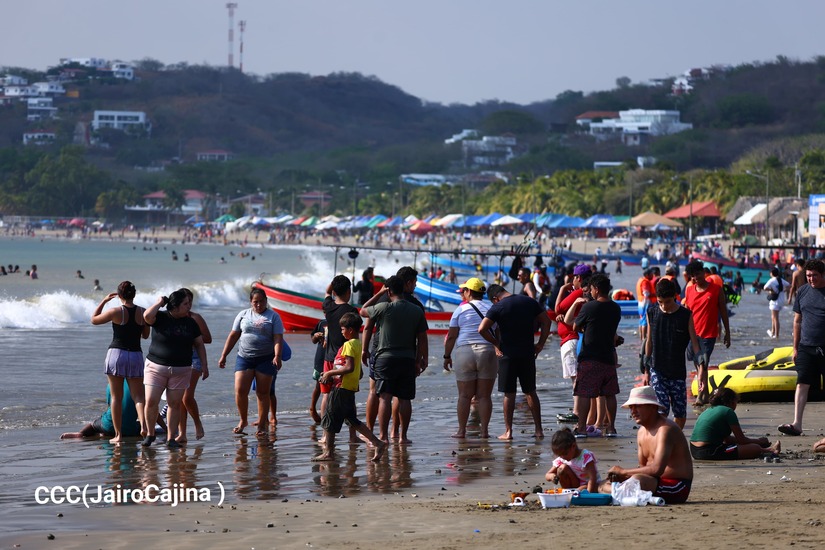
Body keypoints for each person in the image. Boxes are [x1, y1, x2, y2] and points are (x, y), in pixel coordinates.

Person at [360, 275, 428, 444]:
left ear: (388, 290)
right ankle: (402, 436)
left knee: (385, 397)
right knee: (405, 398)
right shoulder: (416, 310)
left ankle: (382, 436)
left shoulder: (383, 307)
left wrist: (378, 294)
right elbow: (422, 338)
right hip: (407, 358)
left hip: (385, 358)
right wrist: (420, 359)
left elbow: (362, 310)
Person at [478, 283, 550, 440]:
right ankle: (539, 430)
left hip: (507, 354)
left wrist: (496, 344)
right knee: (530, 391)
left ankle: (508, 431)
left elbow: (482, 329)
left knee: (509, 393)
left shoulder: (498, 307)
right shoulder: (529, 302)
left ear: (495, 298)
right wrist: (540, 344)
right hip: (527, 352)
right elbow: (546, 321)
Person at [600, 386, 693, 504]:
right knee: (605, 483)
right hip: (653, 482)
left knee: (637, 480)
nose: (633, 411)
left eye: (638, 406)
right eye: (631, 407)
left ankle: (615, 493)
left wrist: (623, 472)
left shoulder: (666, 429)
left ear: (653, 407)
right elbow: (644, 468)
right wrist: (621, 477)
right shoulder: (641, 432)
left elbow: (656, 469)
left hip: (677, 486)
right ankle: (616, 492)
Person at [314, 312, 386, 462]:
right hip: (349, 388)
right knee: (353, 420)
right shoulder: (357, 344)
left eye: (342, 329)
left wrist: (330, 373)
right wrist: (332, 373)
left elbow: (349, 368)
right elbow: (358, 371)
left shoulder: (348, 345)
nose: (341, 332)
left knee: (330, 419)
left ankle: (328, 452)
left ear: (350, 330)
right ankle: (378, 443)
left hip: (341, 387)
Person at [143, 289, 207, 449]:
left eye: (189, 303)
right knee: (151, 401)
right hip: (156, 367)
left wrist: (205, 365)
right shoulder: (161, 317)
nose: (189, 306)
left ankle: (171, 437)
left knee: (175, 403)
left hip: (181, 369)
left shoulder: (191, 322)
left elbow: (199, 344)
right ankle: (150, 433)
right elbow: (146, 317)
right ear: (176, 306)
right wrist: (159, 302)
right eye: (185, 304)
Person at [218, 288, 284, 437]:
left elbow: (278, 338)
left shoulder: (273, 317)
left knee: (262, 393)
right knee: (240, 390)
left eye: (261, 301)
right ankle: (243, 420)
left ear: (266, 301)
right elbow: (234, 335)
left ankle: (262, 425)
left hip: (266, 359)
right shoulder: (243, 315)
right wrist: (224, 355)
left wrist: (277, 356)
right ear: (250, 302)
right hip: (244, 358)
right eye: (255, 302)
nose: (259, 305)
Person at [90, 281, 151, 443]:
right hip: (136, 354)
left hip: (116, 354)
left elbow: (94, 320)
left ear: (120, 295)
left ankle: (118, 435)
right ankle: (144, 427)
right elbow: (145, 335)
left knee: (116, 397)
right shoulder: (143, 312)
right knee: (138, 396)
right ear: (134, 294)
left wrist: (103, 301)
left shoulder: (116, 311)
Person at [442, 277, 498, 439]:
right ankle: (484, 432)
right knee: (484, 396)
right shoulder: (492, 308)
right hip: (487, 350)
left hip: (465, 351)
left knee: (464, 396)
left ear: (468, 292)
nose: (463, 293)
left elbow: (452, 336)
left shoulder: (460, 310)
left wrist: (447, 356)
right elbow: (498, 332)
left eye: (464, 290)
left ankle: (461, 431)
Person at [566, 273, 621, 438]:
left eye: (591, 289)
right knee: (609, 393)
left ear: (596, 289)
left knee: (583, 392)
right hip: (609, 357)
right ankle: (611, 428)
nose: (590, 292)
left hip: (590, 357)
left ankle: (581, 428)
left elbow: (575, 326)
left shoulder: (589, 307)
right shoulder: (615, 307)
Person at [643, 278, 702, 429]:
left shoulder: (685, 315)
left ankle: (674, 440)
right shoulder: (652, 312)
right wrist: (645, 370)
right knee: (662, 411)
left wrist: (701, 370)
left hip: (677, 372)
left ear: (675, 297)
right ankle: (660, 443)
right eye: (660, 302)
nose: (664, 306)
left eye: (667, 302)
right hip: (657, 369)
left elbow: (695, 346)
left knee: (680, 415)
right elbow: (649, 342)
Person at [779, 259, 825, 436]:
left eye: (814, 275)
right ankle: (797, 424)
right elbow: (797, 321)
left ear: (822, 274)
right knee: (802, 384)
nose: (811, 279)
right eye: (808, 276)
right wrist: (795, 347)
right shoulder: (803, 291)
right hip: (806, 346)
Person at [683, 259, 731, 406]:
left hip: (708, 334)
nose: (695, 278)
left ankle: (700, 395)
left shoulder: (716, 289)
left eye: (697, 274)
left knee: (703, 364)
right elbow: (686, 312)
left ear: (704, 273)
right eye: (693, 275)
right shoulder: (689, 290)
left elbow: (723, 311)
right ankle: (705, 393)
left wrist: (727, 333)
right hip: (692, 334)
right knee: (698, 365)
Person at [690, 387, 781, 460]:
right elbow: (742, 440)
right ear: (732, 402)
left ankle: (763, 448)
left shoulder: (709, 410)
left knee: (744, 446)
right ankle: (769, 450)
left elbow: (727, 440)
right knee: (755, 448)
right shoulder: (728, 411)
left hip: (694, 450)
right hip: (709, 451)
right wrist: (759, 442)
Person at [321, 275, 360, 441]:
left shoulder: (328, 307)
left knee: (326, 396)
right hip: (345, 357)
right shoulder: (352, 312)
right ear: (349, 291)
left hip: (329, 359)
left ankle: (325, 435)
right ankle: (352, 435)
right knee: (349, 396)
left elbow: (327, 291)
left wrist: (334, 283)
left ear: (335, 291)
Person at [177, 288, 212, 443]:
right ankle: (182, 434)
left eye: (190, 301)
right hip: (178, 359)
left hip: (195, 358)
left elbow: (208, 338)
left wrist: (190, 338)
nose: (189, 304)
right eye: (186, 301)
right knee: (179, 399)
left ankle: (198, 424)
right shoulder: (174, 318)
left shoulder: (195, 318)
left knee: (186, 396)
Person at [60, 382, 141, 440]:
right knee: (139, 424)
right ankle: (105, 434)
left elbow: (111, 405)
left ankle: (81, 433)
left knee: (94, 424)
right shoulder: (140, 384)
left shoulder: (112, 383)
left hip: (108, 426)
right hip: (130, 430)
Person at [545, 428, 601, 493]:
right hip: (576, 485)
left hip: (590, 485)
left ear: (573, 446)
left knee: (582, 488)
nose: (563, 457)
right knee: (562, 468)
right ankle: (567, 492)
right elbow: (547, 475)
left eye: (565, 454)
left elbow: (592, 478)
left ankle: (575, 493)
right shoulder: (562, 459)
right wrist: (552, 476)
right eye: (560, 455)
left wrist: (588, 494)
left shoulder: (585, 457)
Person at [309, 319, 327, 423]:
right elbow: (313, 340)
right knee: (318, 384)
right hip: (320, 358)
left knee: (331, 386)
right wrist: (315, 336)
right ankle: (312, 407)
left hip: (333, 357)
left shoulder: (339, 323)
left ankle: (327, 410)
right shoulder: (321, 323)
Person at [764, 267, 790, 339]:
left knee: (775, 318)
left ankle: (776, 335)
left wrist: (771, 290)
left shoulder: (772, 280)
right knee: (774, 317)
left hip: (775, 301)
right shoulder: (781, 280)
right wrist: (784, 290)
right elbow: (789, 285)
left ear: (771, 273)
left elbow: (765, 287)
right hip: (781, 300)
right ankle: (773, 332)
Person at [635, 269, 654, 342]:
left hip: (640, 303)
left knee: (641, 320)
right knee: (645, 321)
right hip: (645, 303)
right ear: (647, 275)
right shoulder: (645, 282)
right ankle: (644, 339)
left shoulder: (640, 280)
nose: (652, 276)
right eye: (651, 274)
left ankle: (641, 338)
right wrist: (653, 295)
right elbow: (646, 293)